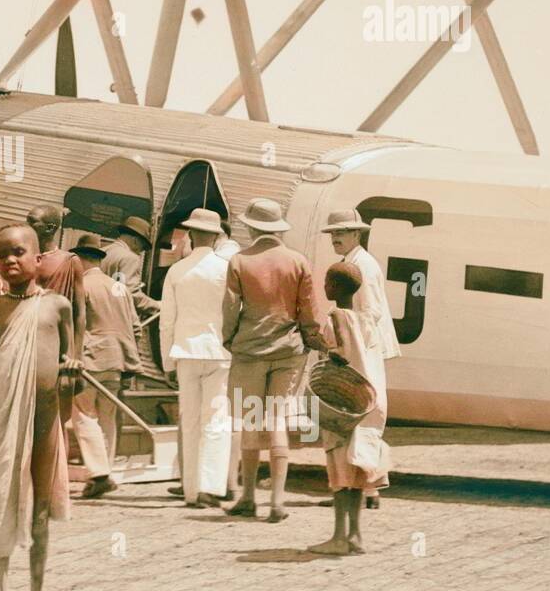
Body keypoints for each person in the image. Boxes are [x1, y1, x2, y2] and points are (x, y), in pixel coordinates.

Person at [0, 224, 76, 591]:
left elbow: (72, 371)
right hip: (2, 423)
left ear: (38, 258)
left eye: (18, 252)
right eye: (2, 254)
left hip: (46, 422)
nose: (10, 260)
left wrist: (73, 373)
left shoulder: (58, 307)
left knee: (41, 514)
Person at [221, 198, 329, 523]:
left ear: (252, 227)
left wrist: (230, 340)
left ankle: (249, 498)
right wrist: (314, 342)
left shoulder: (239, 261)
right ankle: (278, 502)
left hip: (249, 351)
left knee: (251, 421)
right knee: (278, 420)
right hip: (288, 352)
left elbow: (230, 309)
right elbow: (309, 311)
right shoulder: (297, 262)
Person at [309, 262, 390, 555]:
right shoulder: (367, 319)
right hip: (365, 404)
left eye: (328, 282)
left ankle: (338, 536)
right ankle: (355, 535)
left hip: (341, 405)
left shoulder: (336, 316)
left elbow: (342, 353)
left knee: (339, 475)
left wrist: (316, 343)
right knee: (355, 476)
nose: (324, 287)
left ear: (336, 287)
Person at [322, 208, 398, 510]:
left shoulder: (362, 265)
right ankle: (363, 488)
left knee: (361, 416)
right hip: (360, 348)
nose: (336, 238)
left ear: (357, 233)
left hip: (362, 350)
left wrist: (350, 342)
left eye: (342, 232)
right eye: (333, 233)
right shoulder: (351, 263)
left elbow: (372, 312)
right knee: (360, 418)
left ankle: (361, 489)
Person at [159, 209, 232, 508]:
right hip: (218, 352)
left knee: (188, 421)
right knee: (215, 420)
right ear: (216, 237)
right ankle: (210, 487)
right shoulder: (227, 269)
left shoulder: (176, 272)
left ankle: (190, 490)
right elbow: (233, 313)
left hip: (186, 352)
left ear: (190, 235)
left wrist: (167, 361)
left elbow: (167, 321)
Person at [70, 233, 138, 499]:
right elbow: (134, 326)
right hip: (117, 359)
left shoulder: (81, 287)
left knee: (84, 415)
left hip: (91, 357)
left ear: (80, 260)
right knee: (107, 417)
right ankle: (105, 471)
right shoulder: (118, 287)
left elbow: (78, 324)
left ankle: (99, 473)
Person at [25, 204, 85, 359]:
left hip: (52, 342)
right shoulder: (22, 258)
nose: (26, 227)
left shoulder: (70, 262)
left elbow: (80, 312)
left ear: (50, 228)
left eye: (32, 222)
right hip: (21, 338)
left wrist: (76, 355)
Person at [99, 215, 160, 327]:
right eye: (142, 247)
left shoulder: (102, 252)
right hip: (113, 323)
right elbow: (131, 293)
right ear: (136, 241)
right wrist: (157, 305)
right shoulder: (130, 258)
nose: (141, 252)